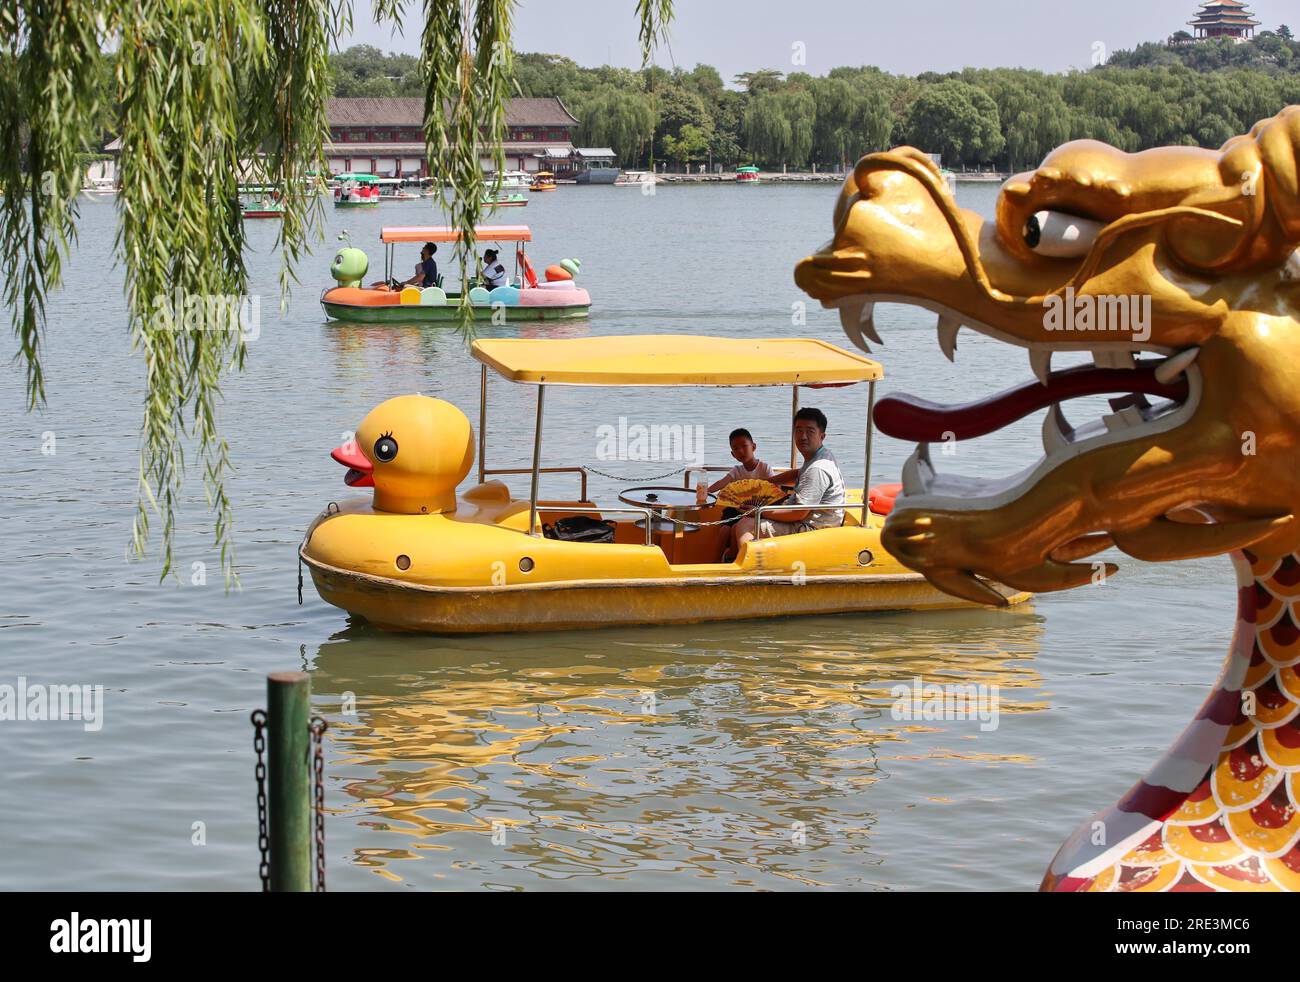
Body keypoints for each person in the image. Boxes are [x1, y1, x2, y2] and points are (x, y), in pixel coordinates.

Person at [726, 407, 845, 559]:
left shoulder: (817, 469)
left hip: (812, 527)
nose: (803, 436)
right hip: (808, 518)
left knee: (744, 526)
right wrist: (767, 481)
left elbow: (798, 513)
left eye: (810, 431)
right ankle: (732, 561)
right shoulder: (820, 455)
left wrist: (759, 511)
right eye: (799, 430)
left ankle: (752, 573)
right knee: (738, 524)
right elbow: (798, 473)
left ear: (822, 436)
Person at [708, 428, 776, 493]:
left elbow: (776, 487)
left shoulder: (765, 468)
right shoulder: (736, 471)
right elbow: (721, 483)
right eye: (736, 448)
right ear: (733, 454)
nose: (740, 451)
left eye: (744, 446)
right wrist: (705, 492)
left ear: (753, 447)